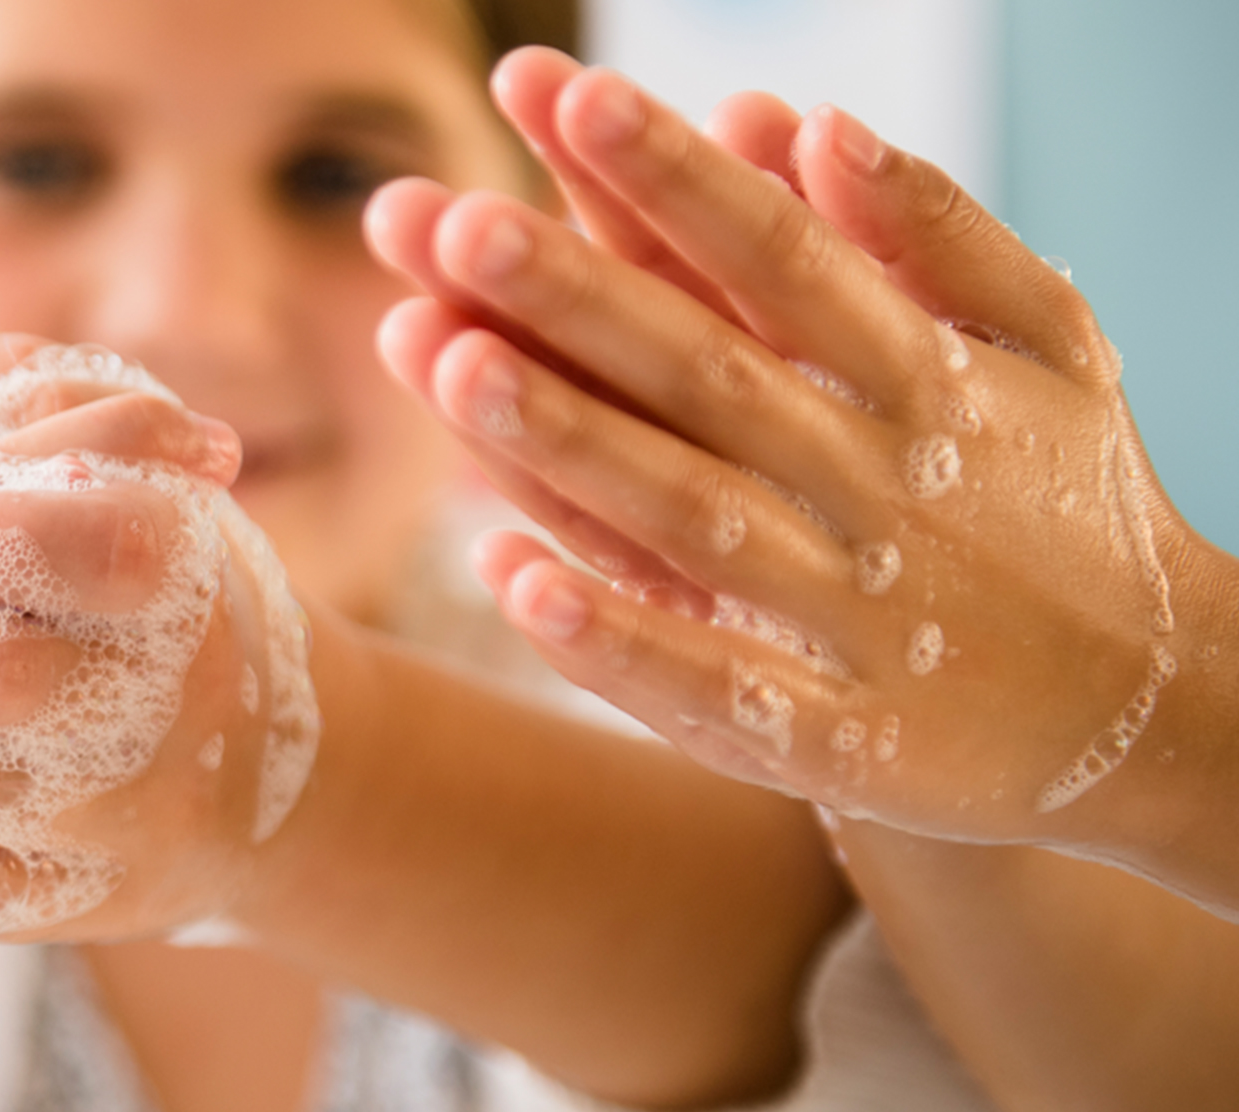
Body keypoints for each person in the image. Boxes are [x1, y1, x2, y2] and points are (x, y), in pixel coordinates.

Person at [0, 1, 998, 1110]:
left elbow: (845, 997)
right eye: (36, 160)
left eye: (335, 175)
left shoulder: (680, 724)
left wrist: (278, 770)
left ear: (531, 256)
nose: (184, 310)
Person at [366, 45, 1239, 1107]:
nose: (189, 305)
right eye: (91, 168)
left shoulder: (650, 699)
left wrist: (1164, 685)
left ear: (528, 200)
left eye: (328, 175)